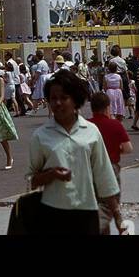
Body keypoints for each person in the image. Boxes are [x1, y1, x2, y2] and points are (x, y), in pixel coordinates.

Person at [26, 70, 122, 236]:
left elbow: (104, 174)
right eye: (53, 98)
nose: (58, 103)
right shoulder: (41, 135)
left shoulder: (91, 132)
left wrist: (118, 216)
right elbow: (31, 180)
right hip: (52, 213)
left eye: (64, 98)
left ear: (75, 100)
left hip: (87, 212)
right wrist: (51, 174)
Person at [88, 90, 133, 234]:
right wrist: (115, 150)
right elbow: (128, 148)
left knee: (96, 204)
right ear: (108, 106)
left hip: (90, 168)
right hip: (111, 166)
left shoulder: (87, 125)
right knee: (108, 205)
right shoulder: (115, 125)